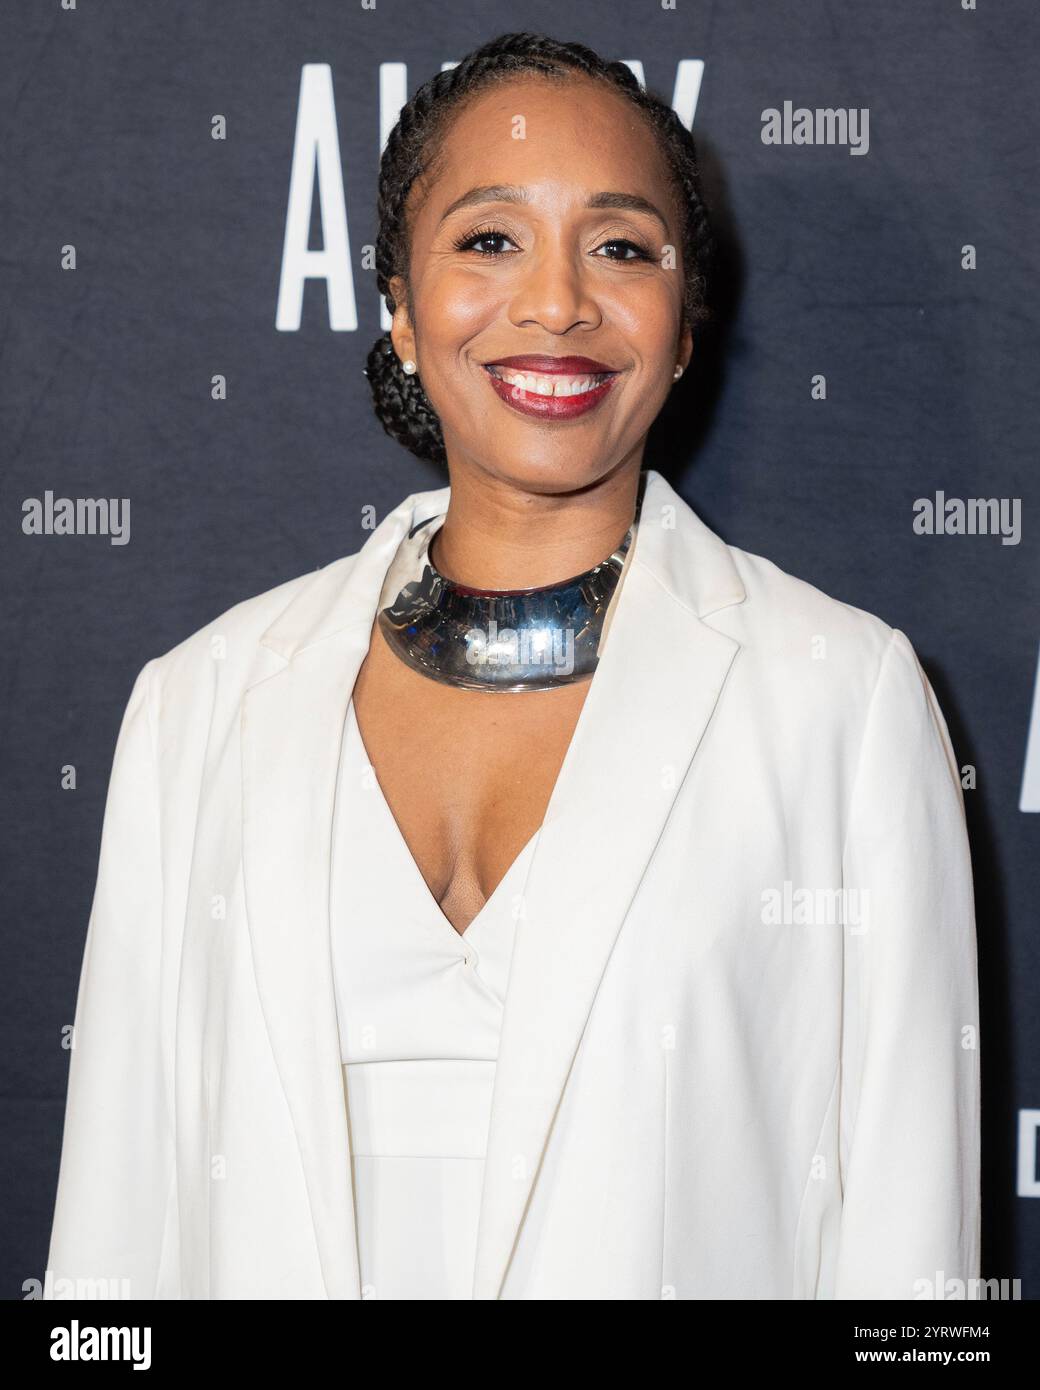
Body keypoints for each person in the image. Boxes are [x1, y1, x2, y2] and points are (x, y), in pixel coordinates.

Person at [45, 31, 980, 1301]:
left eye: (621, 246)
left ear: (685, 326)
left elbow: (907, 1268)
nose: (556, 302)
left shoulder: (842, 700)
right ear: (400, 311)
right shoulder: (199, 706)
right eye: (489, 240)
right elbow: (112, 1260)